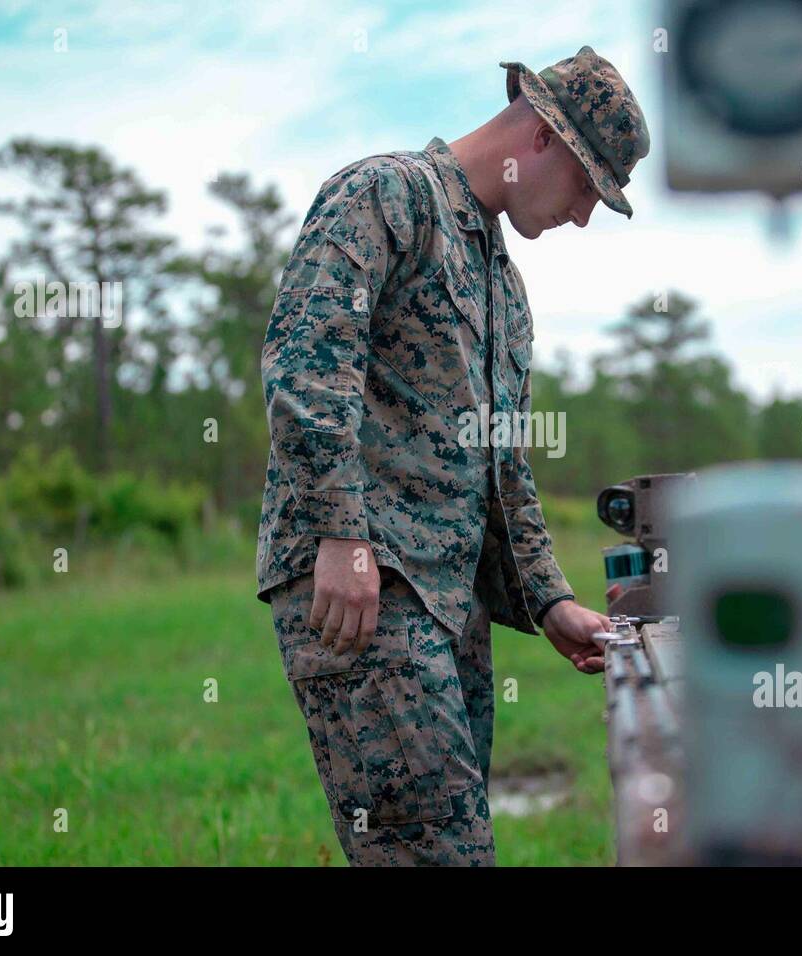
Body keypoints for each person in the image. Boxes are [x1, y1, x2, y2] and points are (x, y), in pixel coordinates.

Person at [257, 46, 651, 865]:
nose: (582, 216)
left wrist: (548, 601)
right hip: (363, 593)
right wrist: (341, 535)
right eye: (587, 188)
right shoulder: (385, 197)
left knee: (444, 846)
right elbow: (306, 366)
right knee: (439, 853)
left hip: (449, 608)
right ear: (542, 137)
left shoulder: (504, 287)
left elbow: (503, 470)